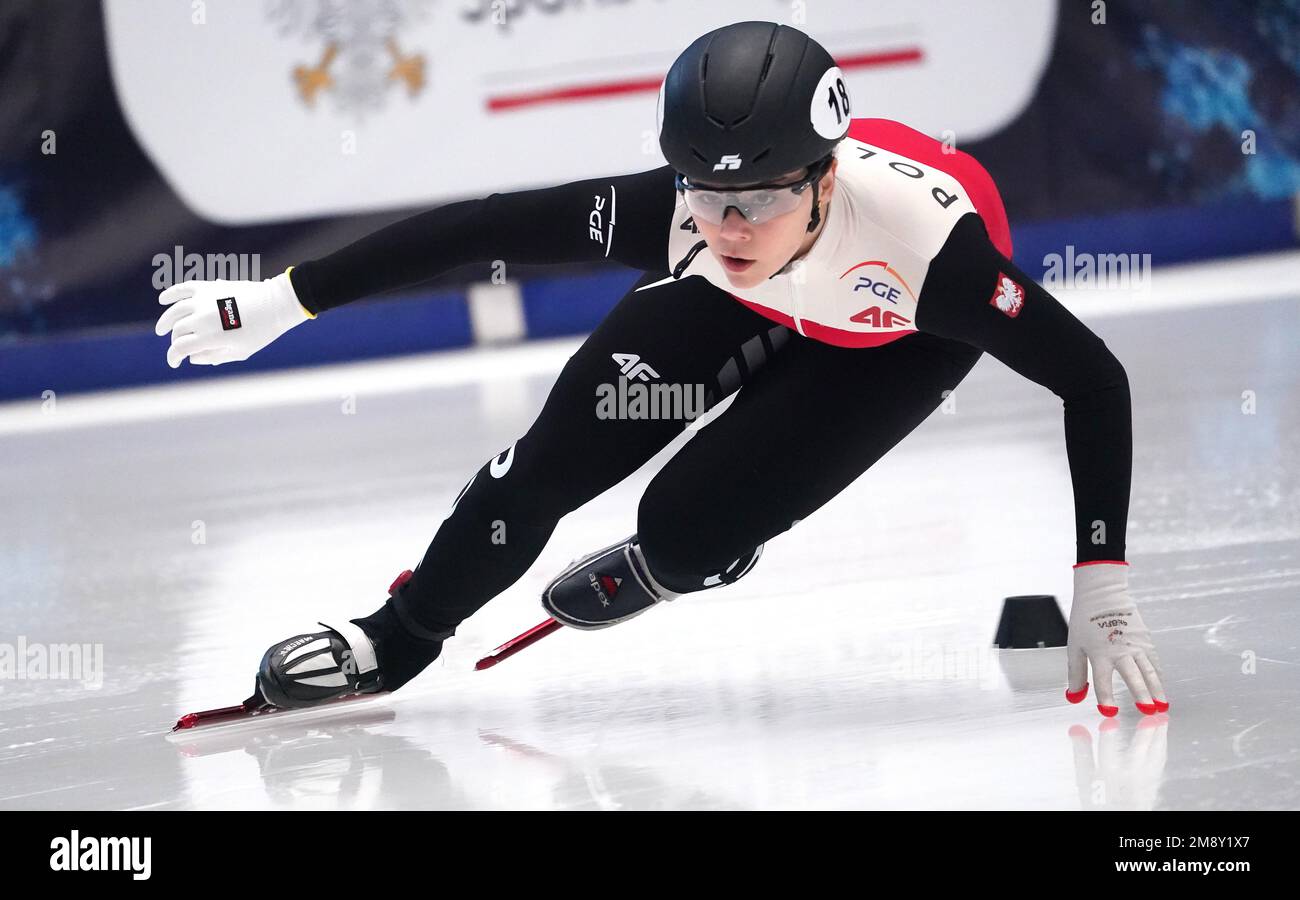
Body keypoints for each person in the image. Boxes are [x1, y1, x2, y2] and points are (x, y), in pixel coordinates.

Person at [155, 21, 1168, 718]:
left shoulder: (932, 257)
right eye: (704, 194)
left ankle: (691, 558)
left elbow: (1093, 377)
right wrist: (287, 298)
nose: (727, 225)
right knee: (543, 466)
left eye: (760, 199)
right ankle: (403, 632)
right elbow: (479, 227)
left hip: (885, 339)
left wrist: (1101, 578)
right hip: (745, 305)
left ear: (822, 177)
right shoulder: (688, 215)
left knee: (682, 535)